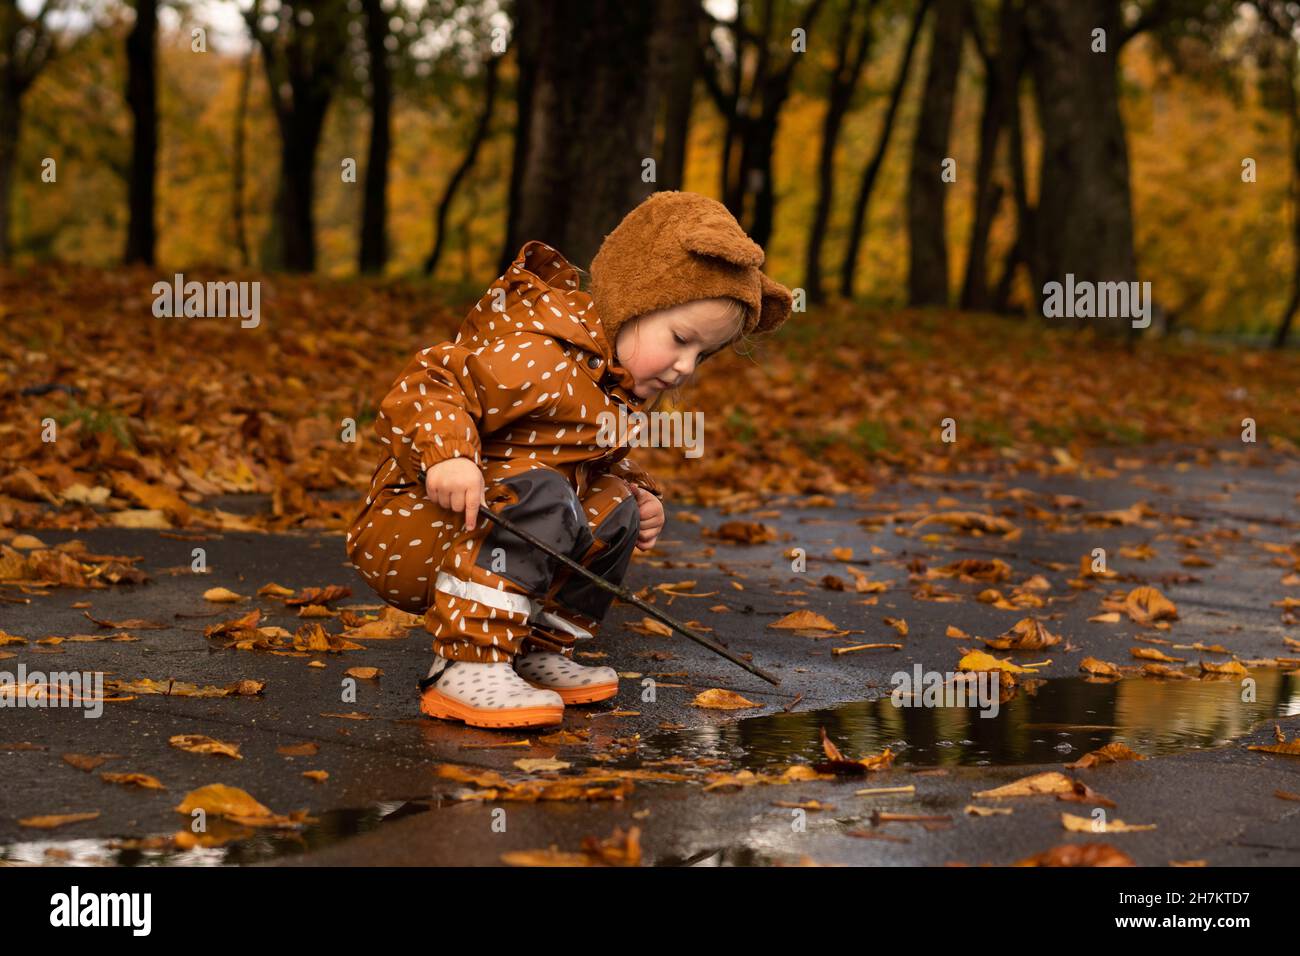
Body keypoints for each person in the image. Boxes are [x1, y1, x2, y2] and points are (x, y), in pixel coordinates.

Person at [345, 190, 793, 729]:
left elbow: (583, 461)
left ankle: (532, 650)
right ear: (634, 302)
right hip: (418, 525)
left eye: (702, 356)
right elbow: (431, 384)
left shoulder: (611, 385)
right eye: (679, 340)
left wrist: (637, 491)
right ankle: (465, 664)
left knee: (614, 506)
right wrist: (448, 457)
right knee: (544, 494)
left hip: (498, 527)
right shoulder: (539, 355)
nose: (683, 367)